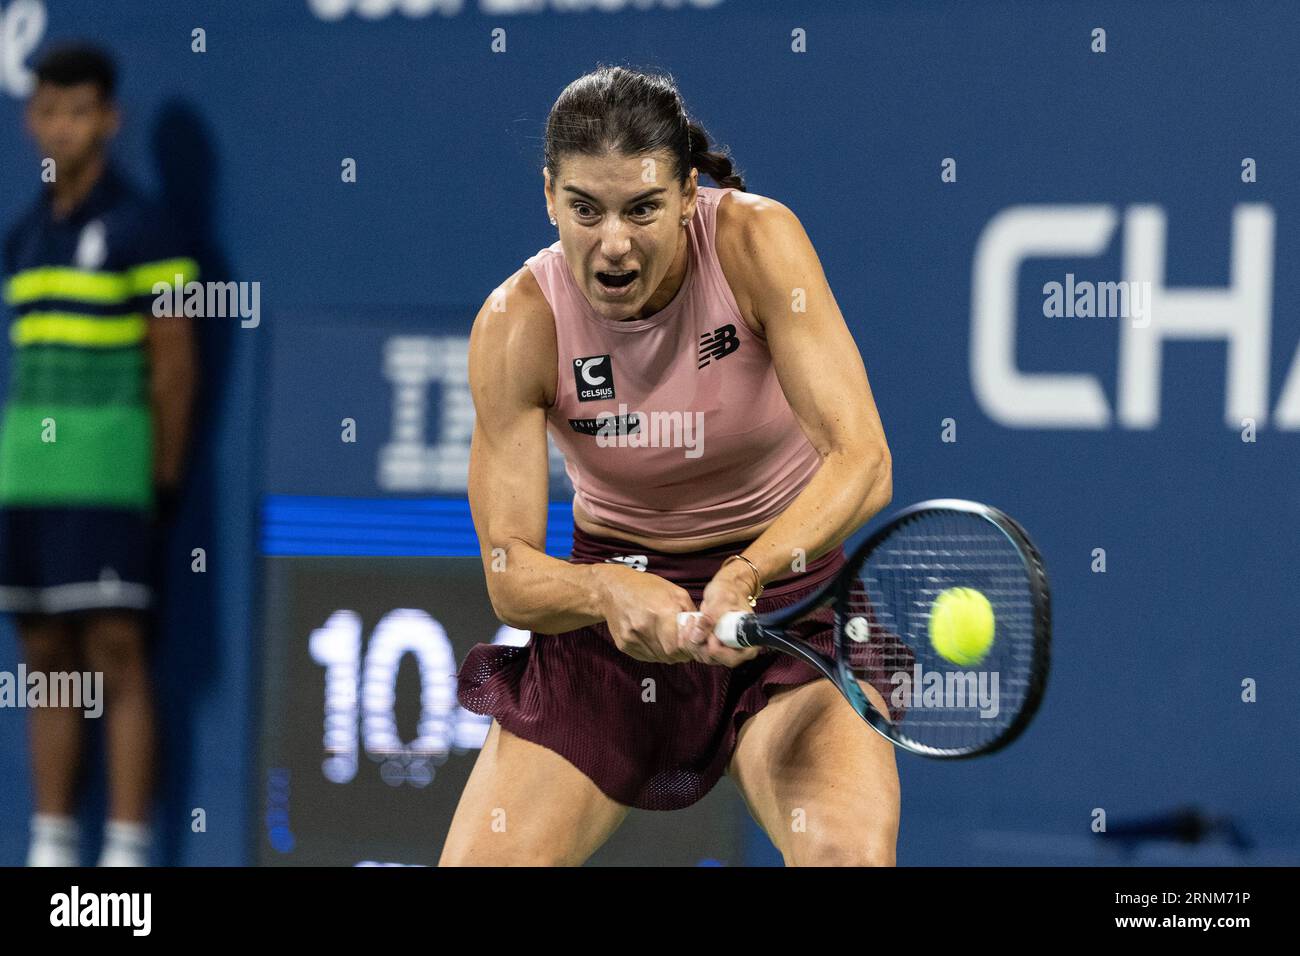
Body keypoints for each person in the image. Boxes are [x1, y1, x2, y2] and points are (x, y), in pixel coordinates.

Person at [444, 65, 904, 867]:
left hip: (784, 614)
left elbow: (862, 460)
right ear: (549, 198)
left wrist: (750, 571)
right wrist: (603, 588)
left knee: (845, 858)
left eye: (643, 208)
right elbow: (507, 569)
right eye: (585, 209)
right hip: (611, 635)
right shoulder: (516, 323)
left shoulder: (757, 242)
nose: (613, 243)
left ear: (688, 194)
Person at [0, 44, 198, 866]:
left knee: (116, 655)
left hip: (112, 479)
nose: (62, 127)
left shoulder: (147, 228)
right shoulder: (23, 236)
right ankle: (50, 846)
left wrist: (160, 483)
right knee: (43, 655)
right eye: (48, 110)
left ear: (109, 121)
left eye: (79, 112)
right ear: (29, 118)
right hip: (28, 483)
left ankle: (124, 851)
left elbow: (176, 367)